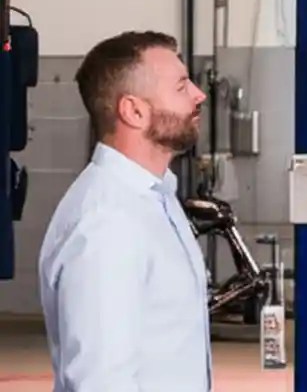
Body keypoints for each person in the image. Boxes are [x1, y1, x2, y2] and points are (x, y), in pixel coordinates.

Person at [38, 31, 212, 391]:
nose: (199, 95)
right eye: (181, 87)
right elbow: (101, 380)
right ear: (133, 111)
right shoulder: (107, 222)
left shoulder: (155, 198)